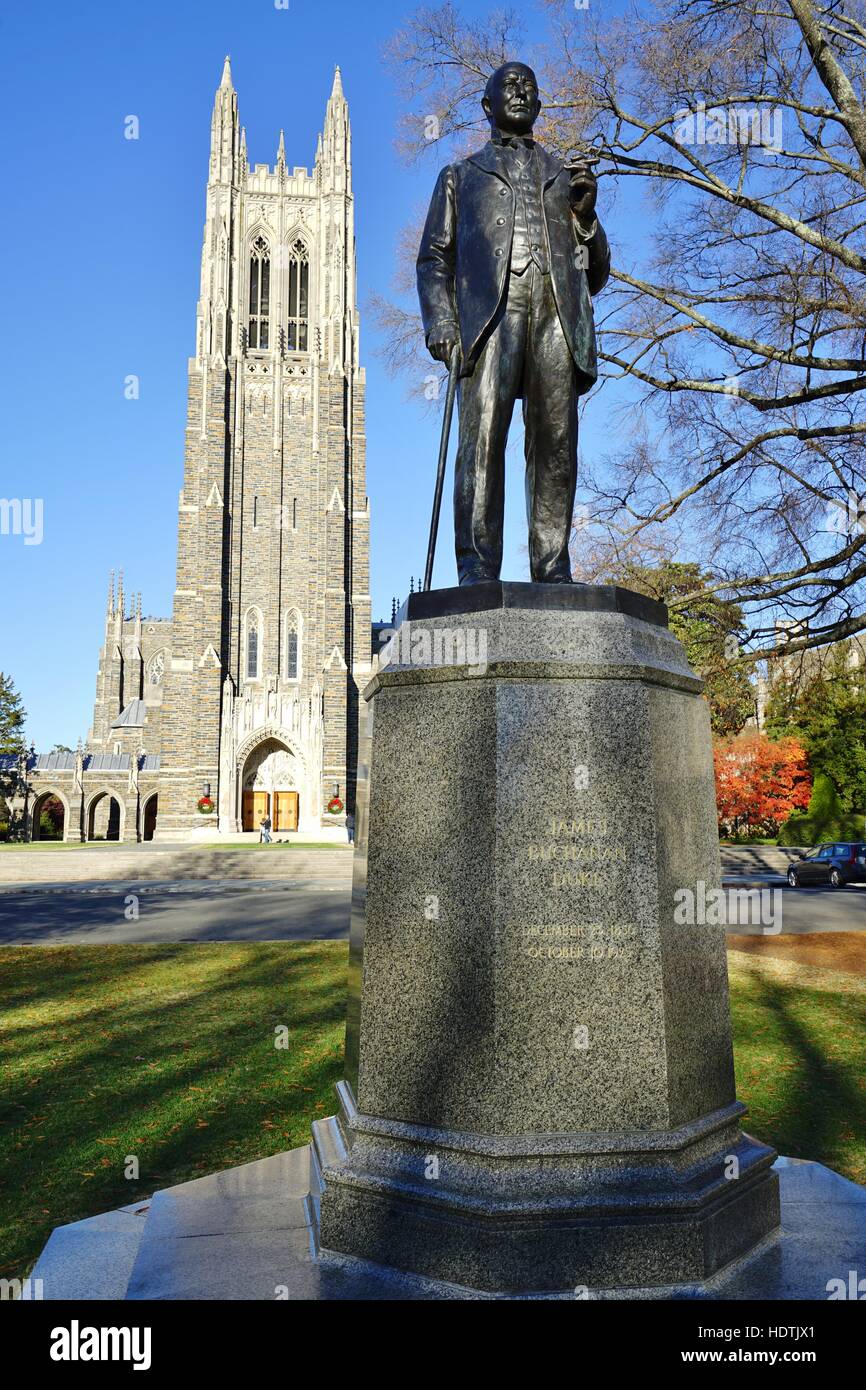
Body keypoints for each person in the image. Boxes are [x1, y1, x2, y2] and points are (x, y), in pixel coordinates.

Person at [417, 61, 609, 585]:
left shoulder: (566, 180)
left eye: (530, 85)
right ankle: (477, 567)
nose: (522, 91)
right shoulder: (459, 177)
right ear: (488, 106)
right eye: (510, 86)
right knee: (481, 443)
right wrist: (441, 322)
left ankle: (553, 566)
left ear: (540, 105)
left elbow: (595, 276)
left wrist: (586, 219)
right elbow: (435, 258)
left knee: (555, 443)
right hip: (488, 319)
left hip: (556, 314)